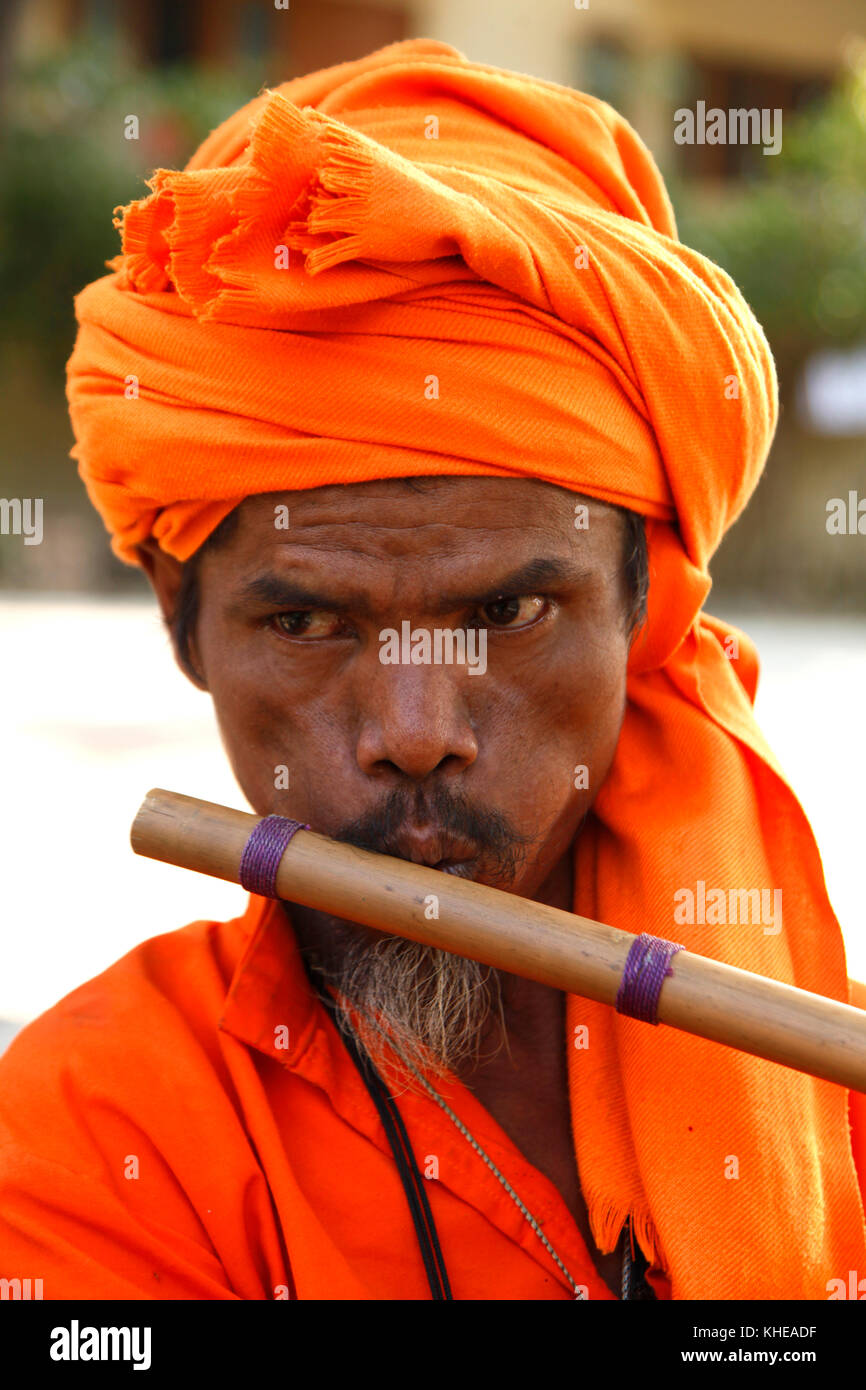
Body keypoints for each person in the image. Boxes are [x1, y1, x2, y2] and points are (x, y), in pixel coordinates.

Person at [1, 37, 864, 1301]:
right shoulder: (99, 1129)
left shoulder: (831, 1089)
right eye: (308, 625)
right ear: (182, 620)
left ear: (645, 606)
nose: (414, 730)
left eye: (508, 608)